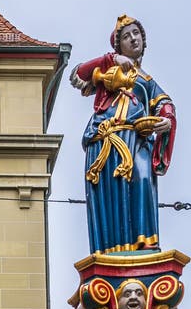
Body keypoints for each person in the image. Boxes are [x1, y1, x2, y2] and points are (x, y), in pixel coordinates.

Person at [70, 15, 176, 254]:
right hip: (105, 139)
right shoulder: (109, 68)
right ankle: (110, 249)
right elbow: (78, 74)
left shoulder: (147, 81)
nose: (133, 38)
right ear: (119, 45)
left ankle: (144, 243)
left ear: (143, 40)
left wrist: (167, 121)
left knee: (143, 178)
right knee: (107, 193)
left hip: (136, 140)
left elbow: (166, 104)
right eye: (126, 36)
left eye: (136, 33)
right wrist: (110, 59)